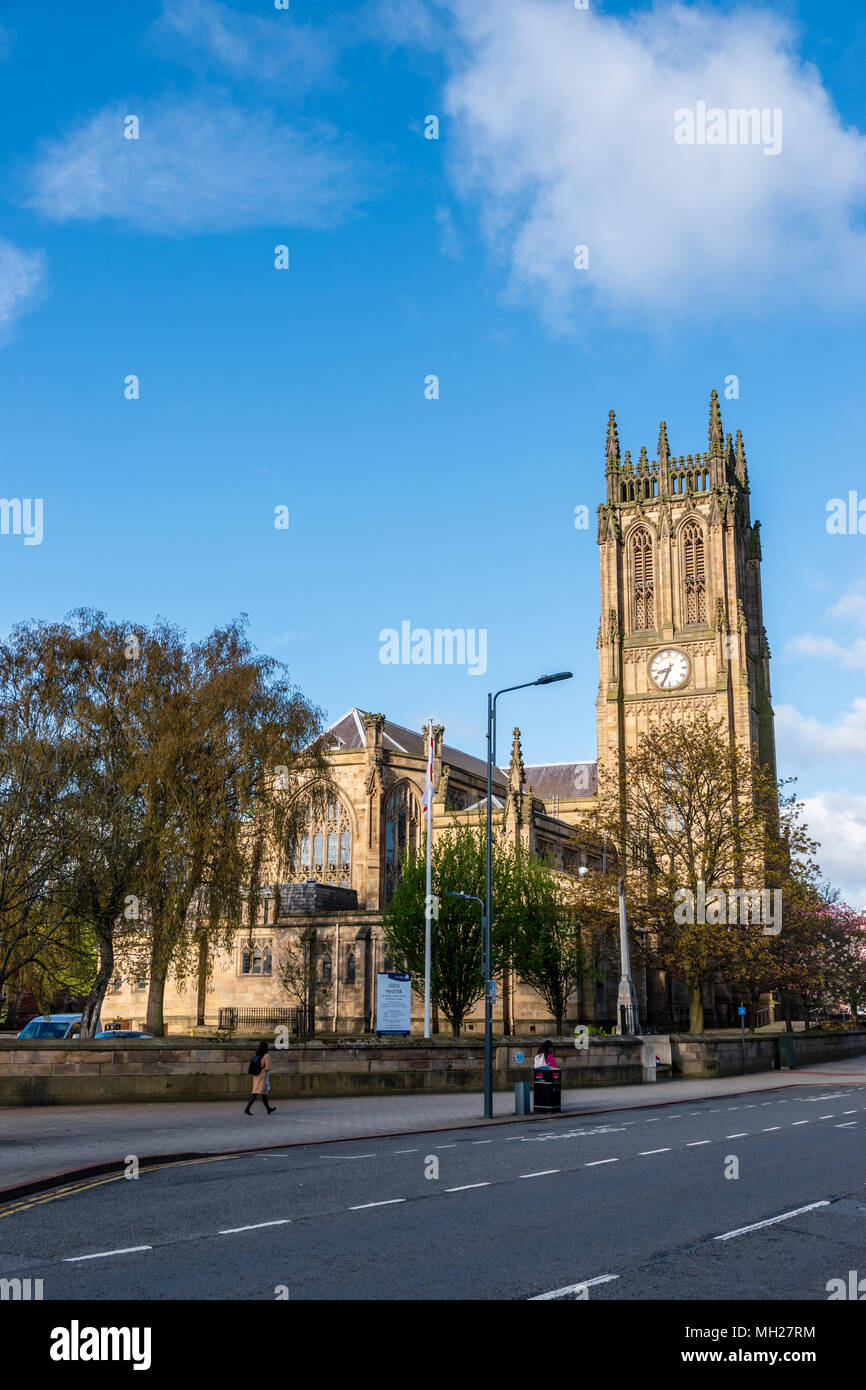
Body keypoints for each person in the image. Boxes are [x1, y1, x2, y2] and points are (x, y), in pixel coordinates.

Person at [244, 1039, 275, 1115]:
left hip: (256, 1075)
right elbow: (267, 1068)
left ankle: (268, 1109)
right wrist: (266, 1069)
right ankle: (247, 1109)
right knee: (255, 1093)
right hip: (262, 1076)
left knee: (262, 1093)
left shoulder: (256, 1054)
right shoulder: (266, 1055)